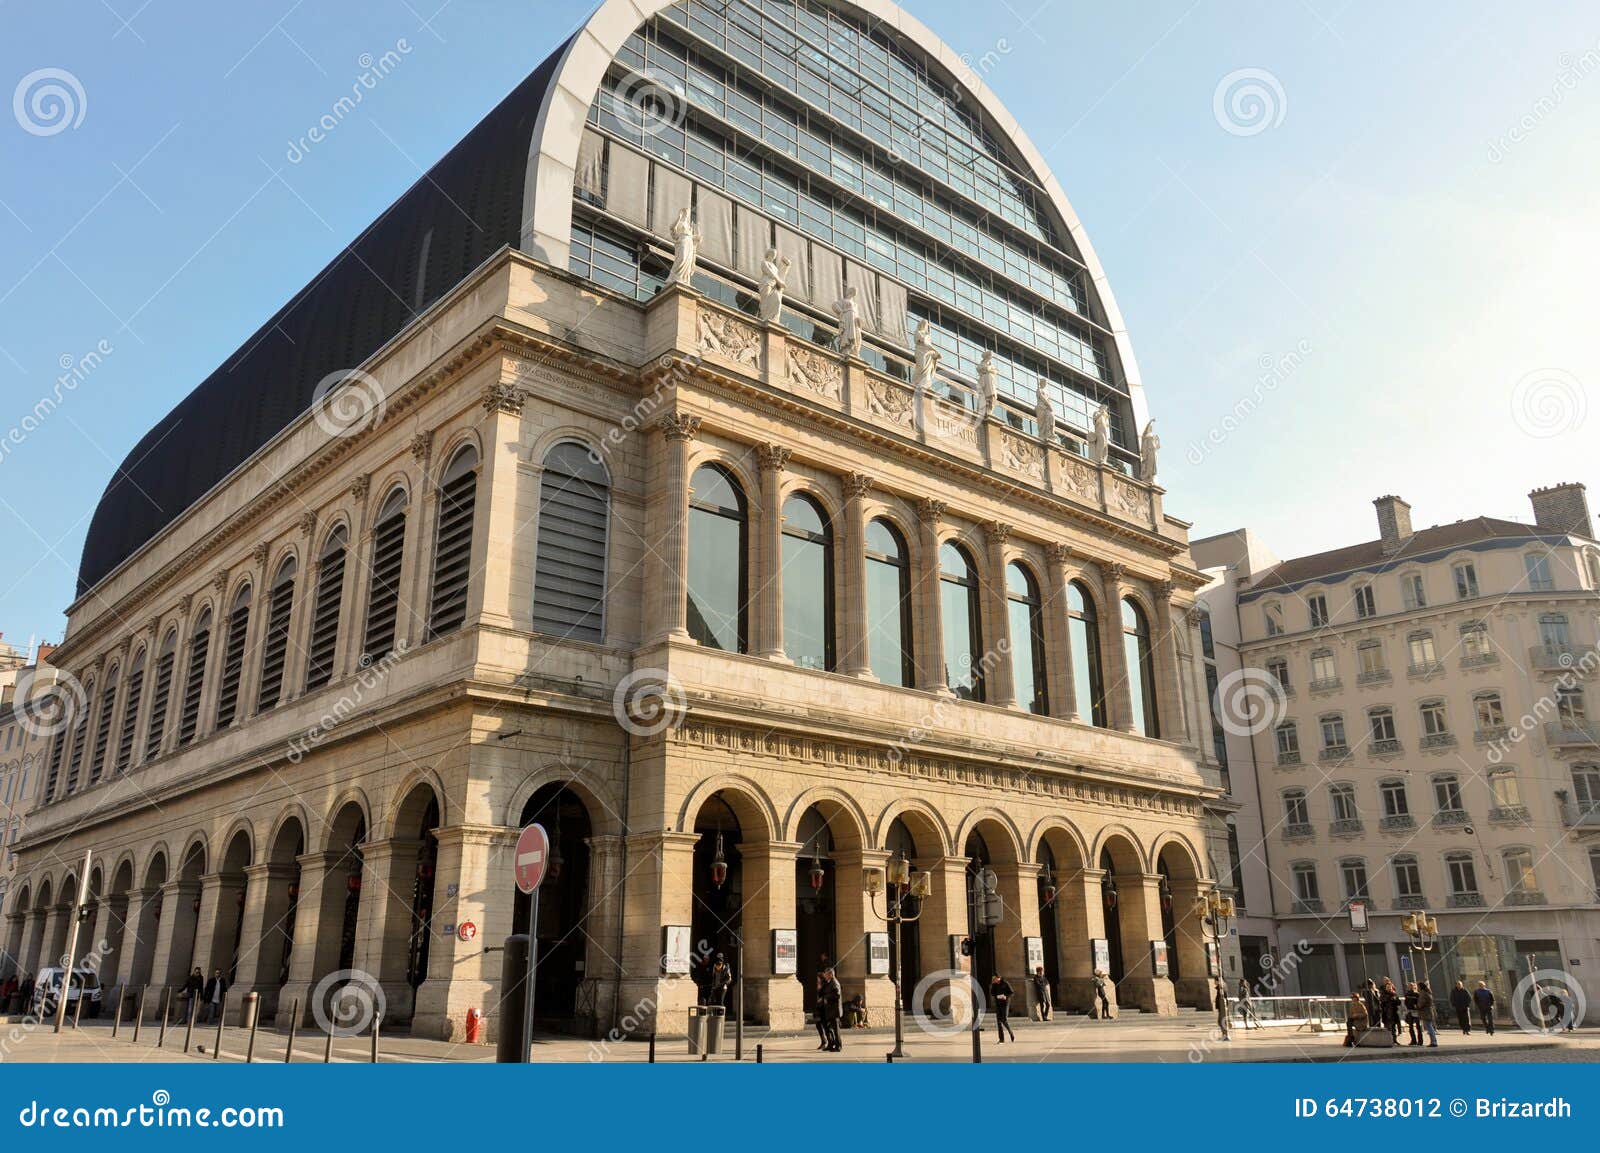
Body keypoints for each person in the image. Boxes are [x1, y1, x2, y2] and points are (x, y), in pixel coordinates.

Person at [818, 966, 843, 1052]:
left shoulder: (835, 983)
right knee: (829, 1028)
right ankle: (831, 1044)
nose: (824, 975)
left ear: (831, 974)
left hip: (834, 1010)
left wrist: (826, 998)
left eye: (826, 974)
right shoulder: (829, 982)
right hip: (829, 1010)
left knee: (836, 1029)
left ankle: (838, 1046)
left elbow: (837, 995)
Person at [813, 954, 832, 1050]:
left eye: (818, 980)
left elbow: (828, 995)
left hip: (824, 1008)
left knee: (825, 1025)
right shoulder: (819, 987)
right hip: (819, 1008)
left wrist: (822, 999)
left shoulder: (825, 986)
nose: (817, 982)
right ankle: (823, 1041)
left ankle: (829, 1041)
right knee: (818, 1024)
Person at [990, 973, 1016, 1042]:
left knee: (1004, 1020)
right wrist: (992, 985)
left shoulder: (1005, 983)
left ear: (999, 978)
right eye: (993, 979)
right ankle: (1001, 1039)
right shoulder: (994, 985)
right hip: (998, 1004)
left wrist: (1005, 997)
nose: (994, 980)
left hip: (1005, 1004)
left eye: (995, 978)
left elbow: (1012, 993)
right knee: (998, 1022)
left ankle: (1011, 1033)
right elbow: (992, 993)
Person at [1417, 980, 1439, 1048]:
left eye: (1418, 986)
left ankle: (1433, 1041)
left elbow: (1421, 1003)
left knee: (1429, 1027)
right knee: (1430, 1026)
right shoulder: (1428, 992)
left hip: (1426, 1012)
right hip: (1428, 1011)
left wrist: (1417, 1006)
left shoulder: (1423, 994)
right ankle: (1434, 1041)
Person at [1379, 978, 1401, 1042]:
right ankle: (1388, 1040)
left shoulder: (1394, 994)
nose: (1389, 988)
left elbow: (1399, 1002)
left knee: (1393, 1027)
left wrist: (1395, 999)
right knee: (1388, 1027)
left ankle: (1394, 1040)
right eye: (1387, 987)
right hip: (1386, 1013)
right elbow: (1382, 1001)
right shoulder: (1383, 994)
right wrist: (1389, 998)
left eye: (1390, 987)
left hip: (1394, 1013)